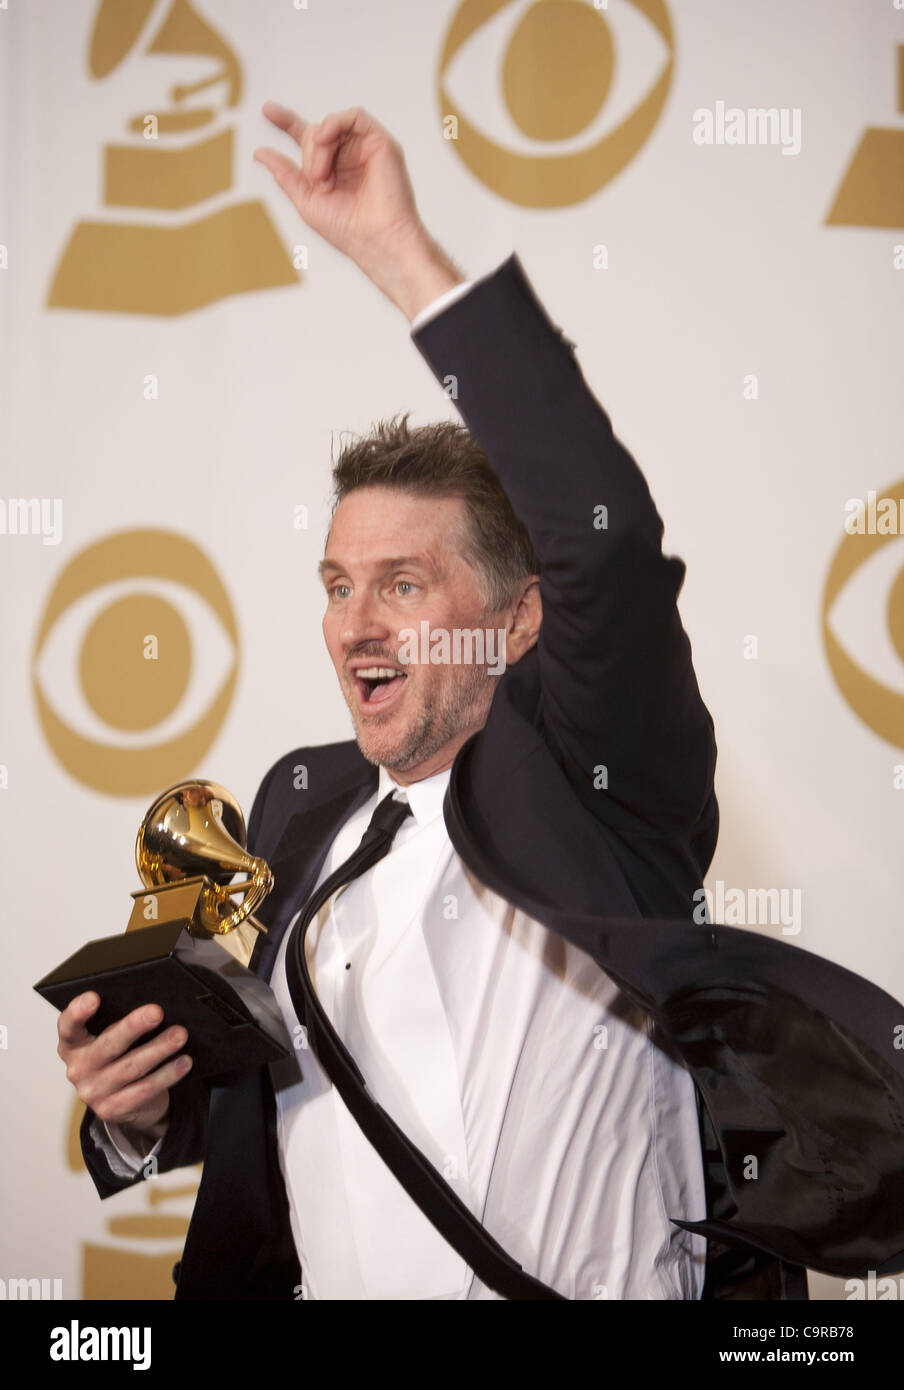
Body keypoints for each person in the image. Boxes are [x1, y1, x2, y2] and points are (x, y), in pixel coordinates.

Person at [57, 105, 904, 1302]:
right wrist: (132, 1111)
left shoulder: (599, 787)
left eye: (404, 583)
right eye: (339, 585)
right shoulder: (295, 815)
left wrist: (401, 255)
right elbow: (252, 1122)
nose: (355, 622)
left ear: (518, 618)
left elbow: (605, 546)